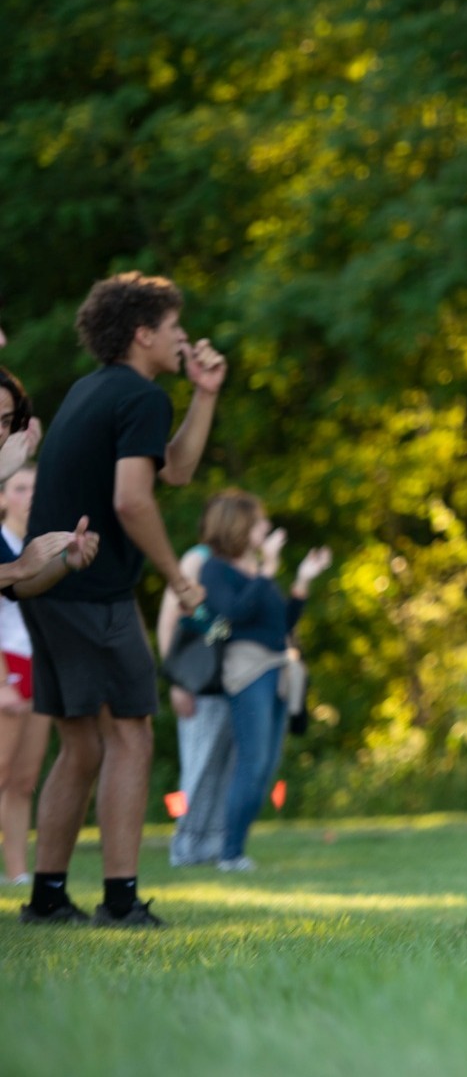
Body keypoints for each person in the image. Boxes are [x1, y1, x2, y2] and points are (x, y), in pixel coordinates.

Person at [19, 271, 225, 928]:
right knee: (131, 736)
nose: (184, 340)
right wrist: (178, 577)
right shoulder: (138, 395)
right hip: (94, 591)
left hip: (46, 589)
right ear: (143, 333)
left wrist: (205, 397)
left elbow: (179, 470)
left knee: (81, 747)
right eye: (175, 330)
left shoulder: (94, 391)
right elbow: (132, 501)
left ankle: (48, 898)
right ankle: (120, 899)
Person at [195, 489, 330, 871]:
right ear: (239, 526)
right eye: (260, 523)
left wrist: (302, 580)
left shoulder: (256, 571)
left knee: (266, 766)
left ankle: (236, 848)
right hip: (247, 671)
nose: (266, 528)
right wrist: (268, 570)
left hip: (277, 668)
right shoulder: (215, 569)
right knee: (250, 762)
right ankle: (230, 853)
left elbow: (281, 624)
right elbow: (233, 613)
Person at [156, 538, 224, 867]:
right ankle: (184, 845)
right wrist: (178, 680)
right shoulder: (196, 559)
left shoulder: (238, 561)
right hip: (197, 682)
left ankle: (210, 844)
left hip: (226, 683)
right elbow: (170, 620)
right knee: (197, 767)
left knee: (220, 769)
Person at [0, 461, 53, 884]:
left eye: (36, 487)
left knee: (23, 780)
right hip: (5, 664)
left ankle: (17, 872)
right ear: (2, 497)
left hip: (38, 664)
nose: (30, 495)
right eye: (20, 487)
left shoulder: (41, 546)